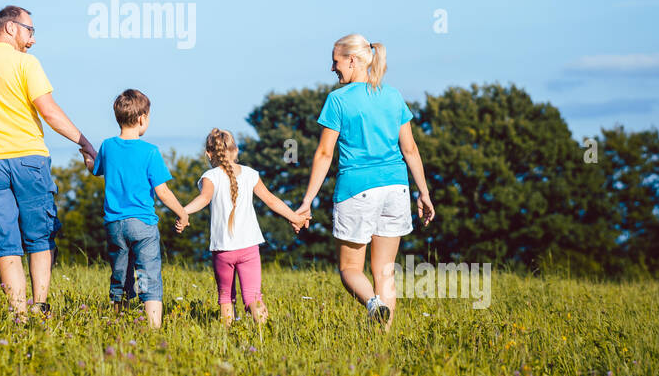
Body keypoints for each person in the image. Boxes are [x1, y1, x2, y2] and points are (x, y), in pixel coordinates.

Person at [0, 5, 96, 322]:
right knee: (39, 236)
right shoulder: (26, 63)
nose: (32, 39)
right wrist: (84, 143)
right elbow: (49, 112)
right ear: (11, 28)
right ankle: (40, 307)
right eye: (30, 30)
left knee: (4, 243)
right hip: (29, 159)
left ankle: (18, 316)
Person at [294, 34, 434, 331]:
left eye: (336, 61)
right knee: (385, 272)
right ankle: (382, 338)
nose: (333, 68)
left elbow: (324, 153)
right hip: (397, 188)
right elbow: (409, 149)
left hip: (357, 190)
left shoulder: (337, 100)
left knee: (349, 268)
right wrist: (424, 193)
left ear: (352, 60)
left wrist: (307, 201)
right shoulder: (393, 95)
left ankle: (374, 304)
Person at [182, 128, 307, 326]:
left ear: (209, 153)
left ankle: (225, 339)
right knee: (253, 297)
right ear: (236, 150)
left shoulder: (210, 176)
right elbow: (271, 201)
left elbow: (203, 199)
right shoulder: (250, 174)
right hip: (249, 248)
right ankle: (263, 336)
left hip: (223, 249)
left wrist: (184, 212)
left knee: (226, 298)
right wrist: (295, 218)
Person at [91, 89, 188, 329]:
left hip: (114, 225)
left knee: (121, 273)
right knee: (147, 273)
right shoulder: (150, 152)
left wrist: (87, 159)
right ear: (142, 118)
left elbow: (96, 168)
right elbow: (163, 191)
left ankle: (117, 319)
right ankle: (153, 326)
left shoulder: (107, 146)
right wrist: (182, 212)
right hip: (142, 224)